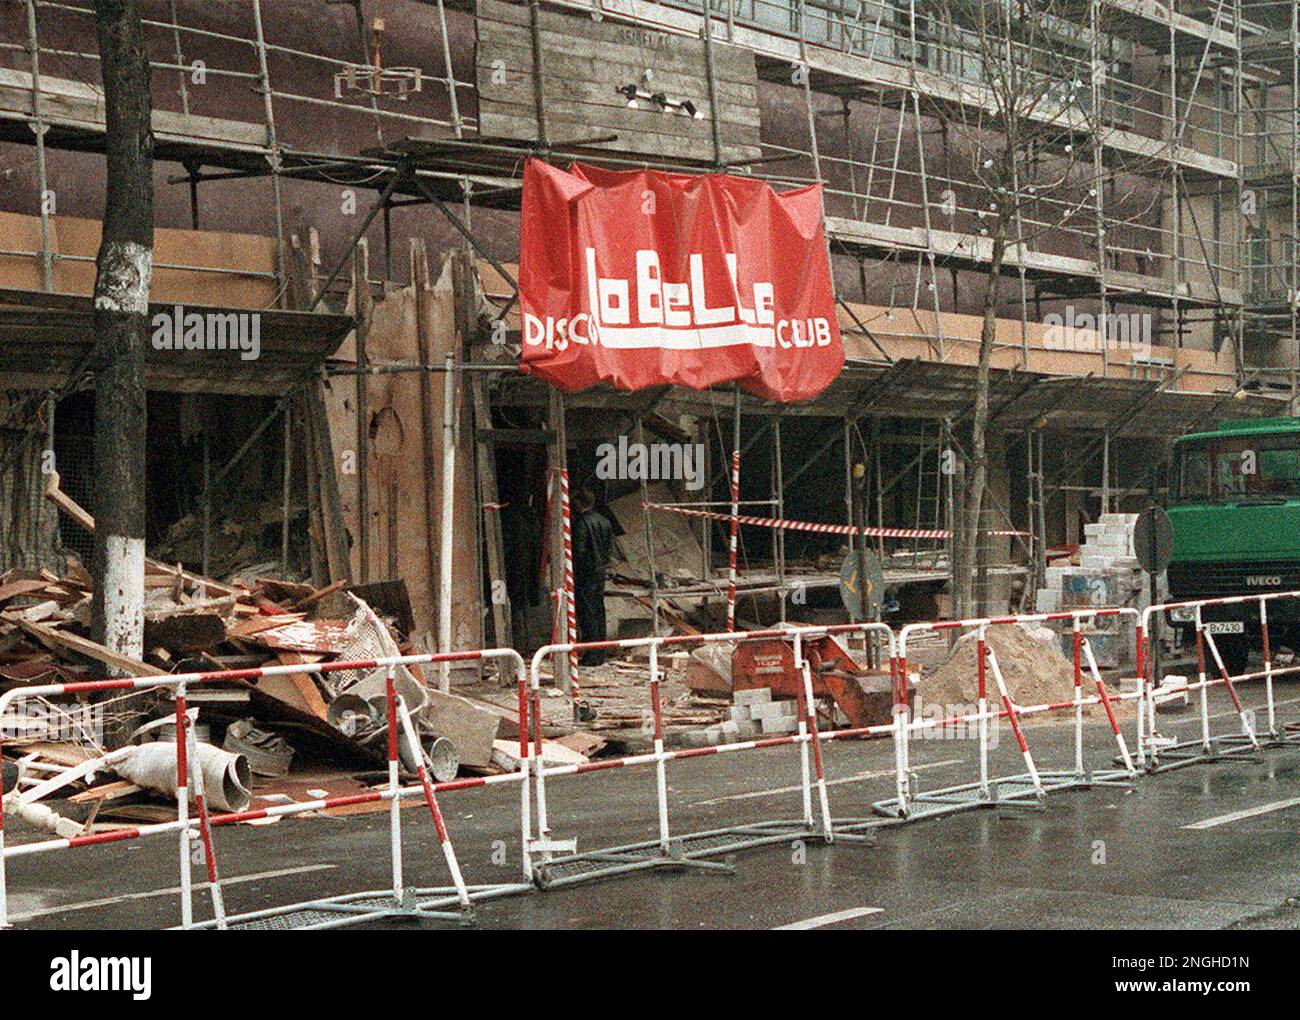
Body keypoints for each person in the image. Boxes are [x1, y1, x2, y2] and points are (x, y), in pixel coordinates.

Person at [571, 485, 613, 666]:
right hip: (599, 571)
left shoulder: (581, 523)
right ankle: (601, 651)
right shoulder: (604, 521)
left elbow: (578, 551)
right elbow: (609, 548)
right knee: (598, 611)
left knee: (587, 613)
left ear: (579, 503)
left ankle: (592, 655)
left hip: (585, 573)